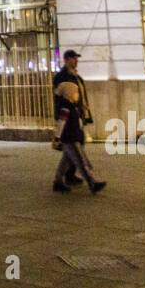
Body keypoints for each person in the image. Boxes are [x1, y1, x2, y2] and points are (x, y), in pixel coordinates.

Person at [52, 49, 105, 194]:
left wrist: (84, 115)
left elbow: (80, 99)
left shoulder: (75, 77)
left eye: (76, 58)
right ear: (66, 60)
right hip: (68, 121)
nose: (76, 61)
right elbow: (65, 100)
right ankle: (92, 182)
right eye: (73, 58)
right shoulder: (62, 77)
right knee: (78, 154)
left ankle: (58, 181)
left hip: (76, 119)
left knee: (69, 155)